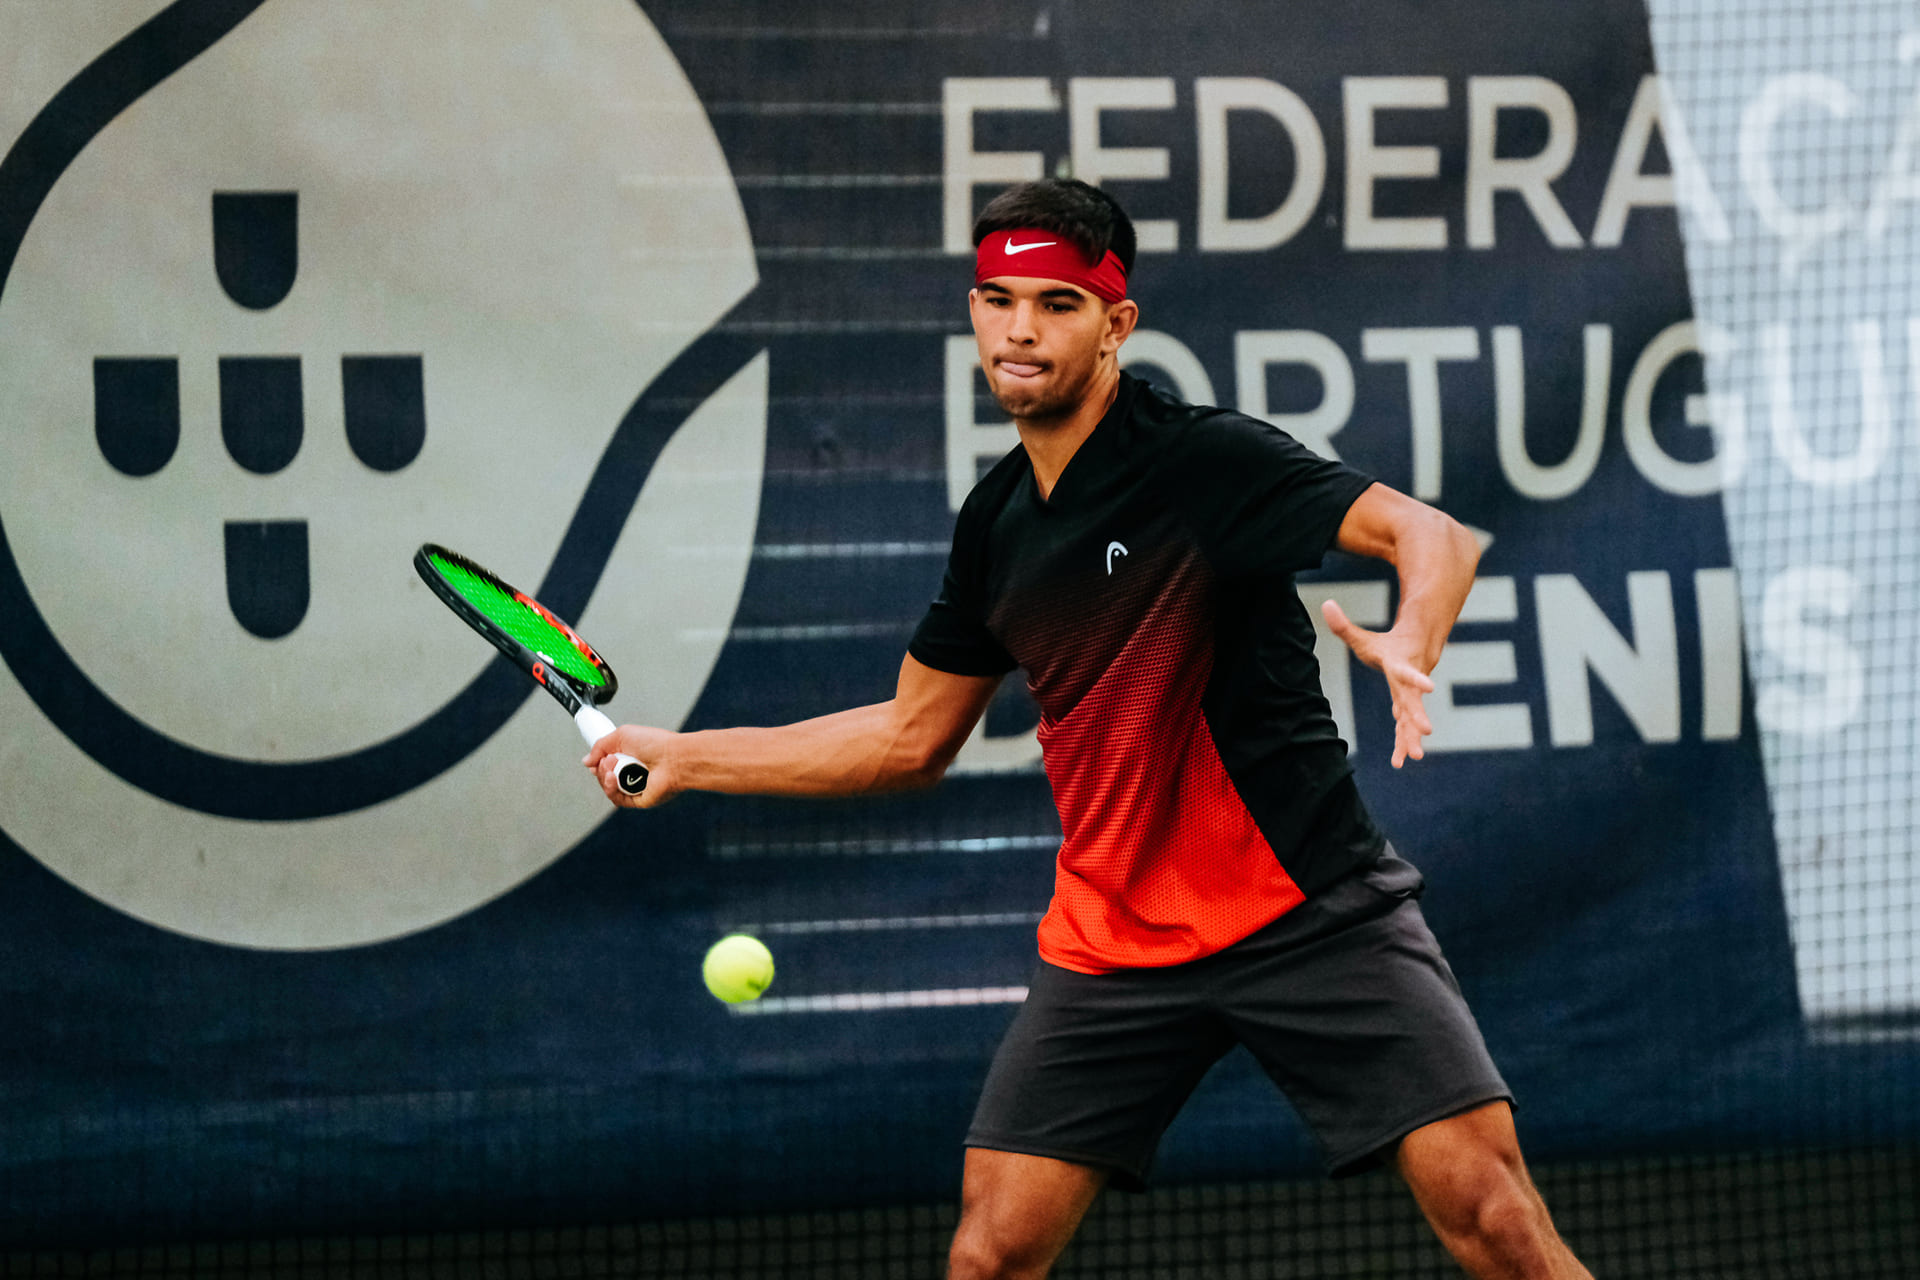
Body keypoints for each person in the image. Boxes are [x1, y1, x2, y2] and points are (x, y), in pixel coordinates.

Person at [586, 179, 1592, 1280]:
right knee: (992, 1251)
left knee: (1495, 1219)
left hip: (1307, 908)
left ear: (1117, 325)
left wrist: (1416, 635)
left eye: (1058, 303)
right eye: (997, 298)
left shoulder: (1200, 463)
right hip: (1115, 938)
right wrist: (685, 757)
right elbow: (910, 736)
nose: (1020, 329)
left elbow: (1428, 533)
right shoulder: (998, 525)